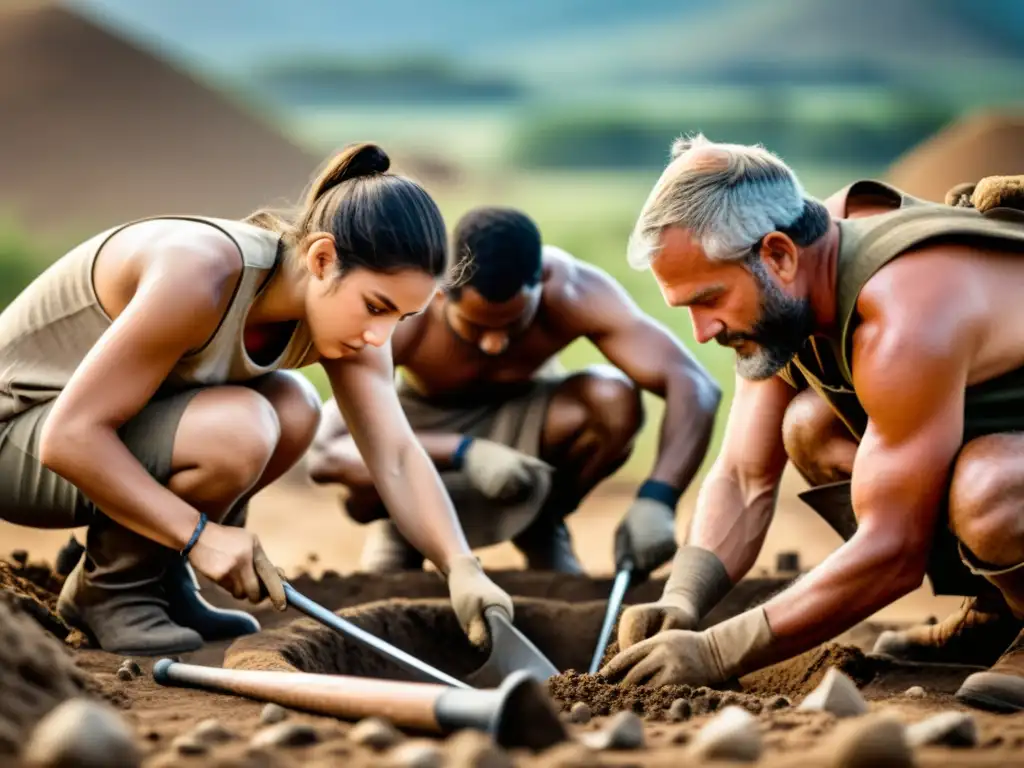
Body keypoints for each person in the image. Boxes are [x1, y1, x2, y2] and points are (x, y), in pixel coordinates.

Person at [0, 142, 513, 656]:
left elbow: (396, 454)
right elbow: (68, 437)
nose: (381, 337)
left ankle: (158, 574)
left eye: (399, 318)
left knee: (294, 407)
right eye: (375, 306)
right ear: (322, 258)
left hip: (88, 441)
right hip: (19, 438)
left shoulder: (343, 318)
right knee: (240, 427)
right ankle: (113, 590)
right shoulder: (200, 274)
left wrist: (461, 567)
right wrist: (201, 537)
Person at [597, 134, 1024, 713]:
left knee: (989, 488)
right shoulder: (798, 270)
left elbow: (893, 550)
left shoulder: (903, 309)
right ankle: (1001, 611)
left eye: (710, 299)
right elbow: (745, 476)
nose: (701, 331)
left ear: (776, 255)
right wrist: (683, 599)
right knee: (810, 424)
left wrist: (718, 651)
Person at [307, 206, 721, 576]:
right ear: (440, 291)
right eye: (475, 327)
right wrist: (463, 450)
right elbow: (325, 452)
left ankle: (541, 522)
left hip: (529, 425)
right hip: (418, 432)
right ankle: (402, 527)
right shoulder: (409, 315)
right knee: (363, 456)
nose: (494, 344)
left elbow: (694, 384)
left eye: (512, 324)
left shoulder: (573, 292)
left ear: (540, 280)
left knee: (612, 398)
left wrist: (659, 498)